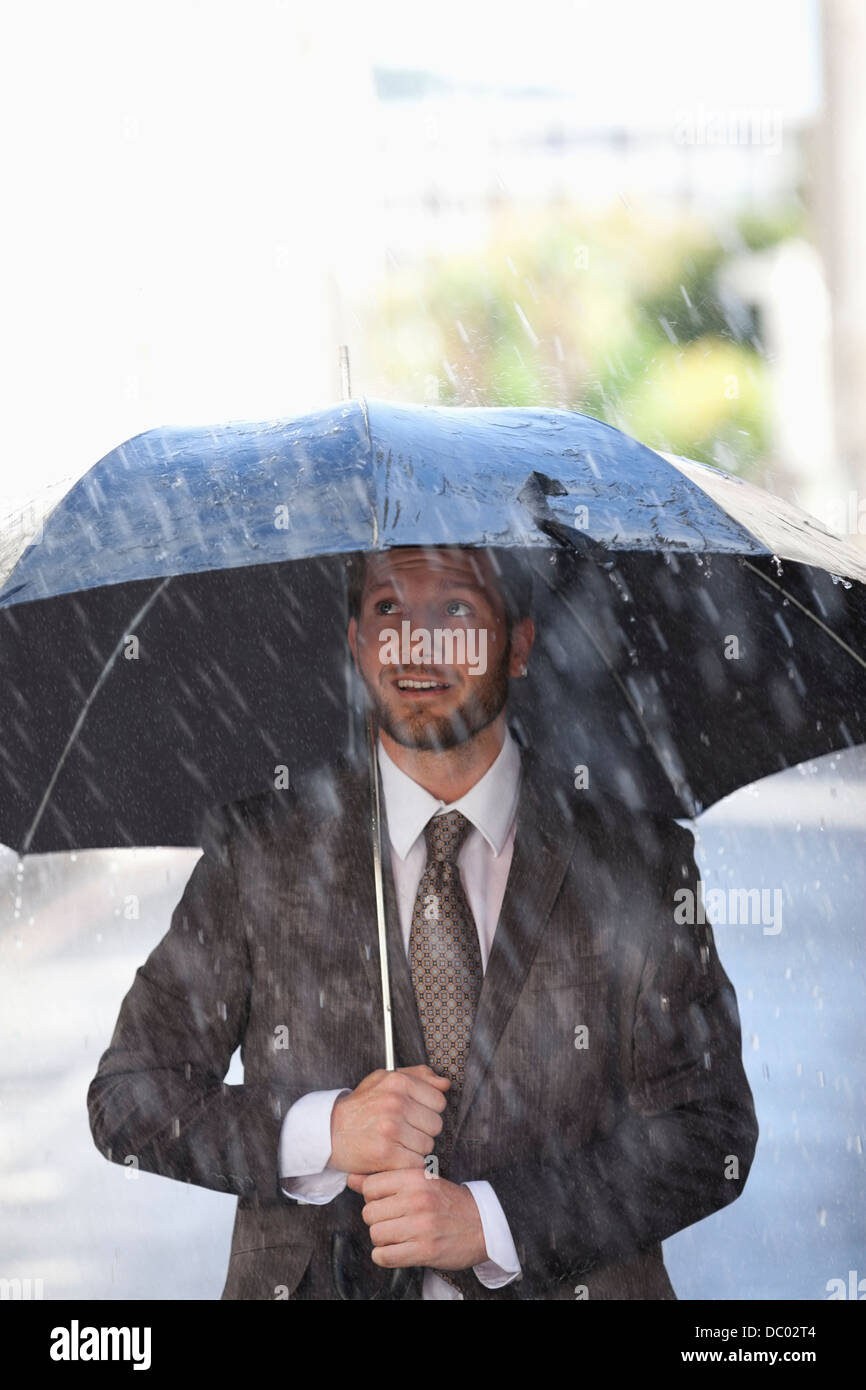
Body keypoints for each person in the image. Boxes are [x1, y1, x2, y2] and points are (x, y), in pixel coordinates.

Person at [87, 544, 758, 1300]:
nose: (419, 639)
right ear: (355, 642)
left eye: (456, 608)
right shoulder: (260, 853)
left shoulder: (638, 862)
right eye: (387, 609)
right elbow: (130, 1097)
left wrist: (495, 1221)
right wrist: (322, 1133)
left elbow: (709, 1129)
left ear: (520, 645)